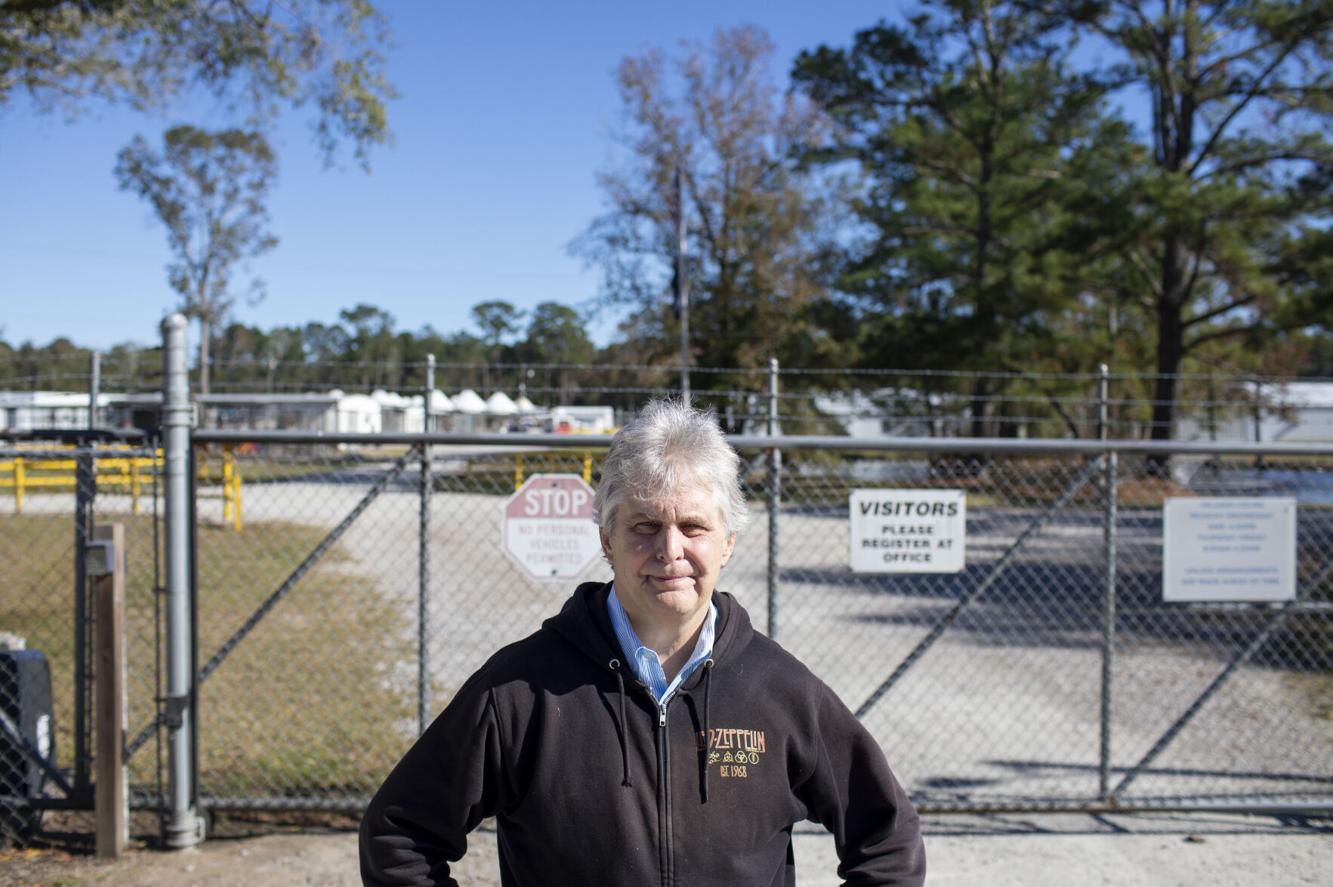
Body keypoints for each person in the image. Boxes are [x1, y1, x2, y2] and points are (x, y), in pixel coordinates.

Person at [360, 399, 925, 886]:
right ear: (607, 539)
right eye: (645, 526)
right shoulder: (520, 692)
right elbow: (400, 833)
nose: (670, 550)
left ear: (727, 542)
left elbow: (887, 836)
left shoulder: (783, 692)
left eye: (694, 527)